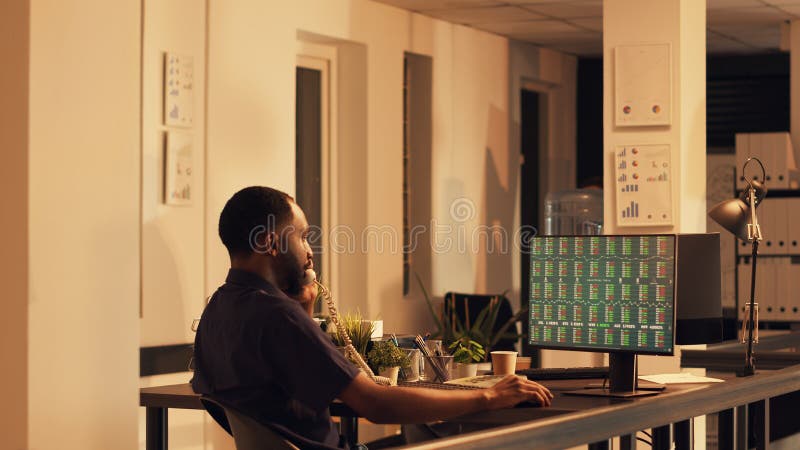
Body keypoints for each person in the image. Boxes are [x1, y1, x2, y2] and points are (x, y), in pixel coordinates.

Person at [191, 186, 553, 449]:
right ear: (270, 243)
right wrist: (489, 397)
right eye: (301, 237)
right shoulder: (277, 317)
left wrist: (305, 308)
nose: (309, 251)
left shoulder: (217, 312)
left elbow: (285, 388)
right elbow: (376, 405)